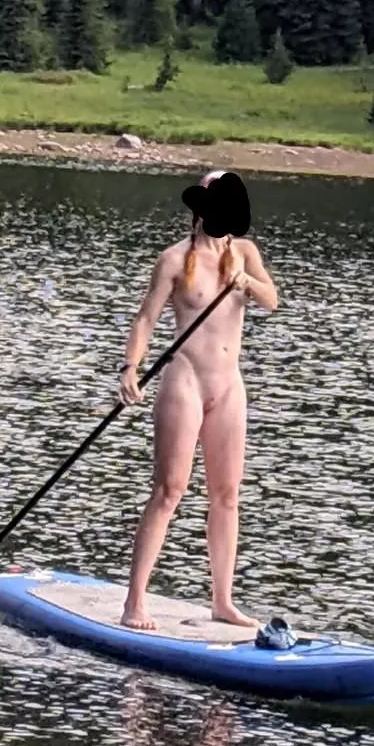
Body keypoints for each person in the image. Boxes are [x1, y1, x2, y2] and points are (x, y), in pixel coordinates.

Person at [118, 170, 278, 630]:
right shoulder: (173, 259)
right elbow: (146, 320)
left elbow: (272, 300)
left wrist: (248, 282)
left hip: (229, 387)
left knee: (227, 496)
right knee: (170, 490)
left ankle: (223, 601)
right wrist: (130, 368)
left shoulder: (245, 252)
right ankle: (135, 603)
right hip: (185, 382)